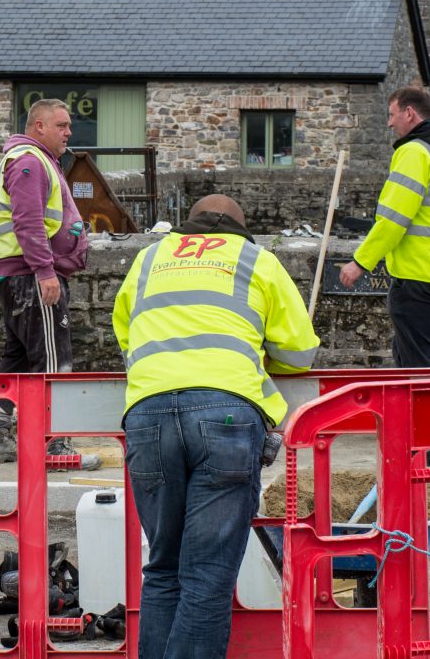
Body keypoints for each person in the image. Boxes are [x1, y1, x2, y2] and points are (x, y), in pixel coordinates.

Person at [113, 195, 319, 659]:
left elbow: (126, 335)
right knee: (206, 575)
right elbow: (300, 353)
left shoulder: (150, 257)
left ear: (191, 226)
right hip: (225, 414)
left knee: (163, 567)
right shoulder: (255, 260)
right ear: (238, 231)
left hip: (147, 412)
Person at [339, 86, 430, 467]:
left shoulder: (414, 154)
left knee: (418, 368)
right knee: (408, 358)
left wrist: (360, 262)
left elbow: (393, 220)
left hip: (416, 274)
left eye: (392, 114)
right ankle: (413, 445)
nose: (388, 122)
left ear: (410, 114)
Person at [0, 97, 97, 469]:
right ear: (39, 127)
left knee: (15, 361)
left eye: (68, 126)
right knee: (51, 358)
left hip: (17, 275)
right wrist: (46, 272)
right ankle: (54, 446)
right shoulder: (31, 161)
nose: (69, 132)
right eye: (61, 125)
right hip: (33, 277)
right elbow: (28, 221)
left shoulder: (32, 160)